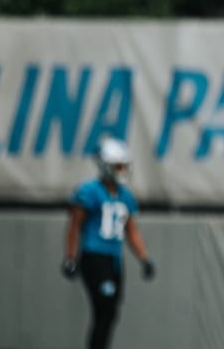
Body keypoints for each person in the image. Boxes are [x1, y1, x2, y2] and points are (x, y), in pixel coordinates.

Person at [61, 136, 156, 349]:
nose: (123, 170)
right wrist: (70, 257)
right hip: (94, 256)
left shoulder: (125, 196)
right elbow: (74, 226)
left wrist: (145, 258)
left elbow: (131, 231)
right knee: (104, 307)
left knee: (111, 312)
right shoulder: (89, 191)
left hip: (114, 259)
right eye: (118, 166)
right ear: (106, 166)